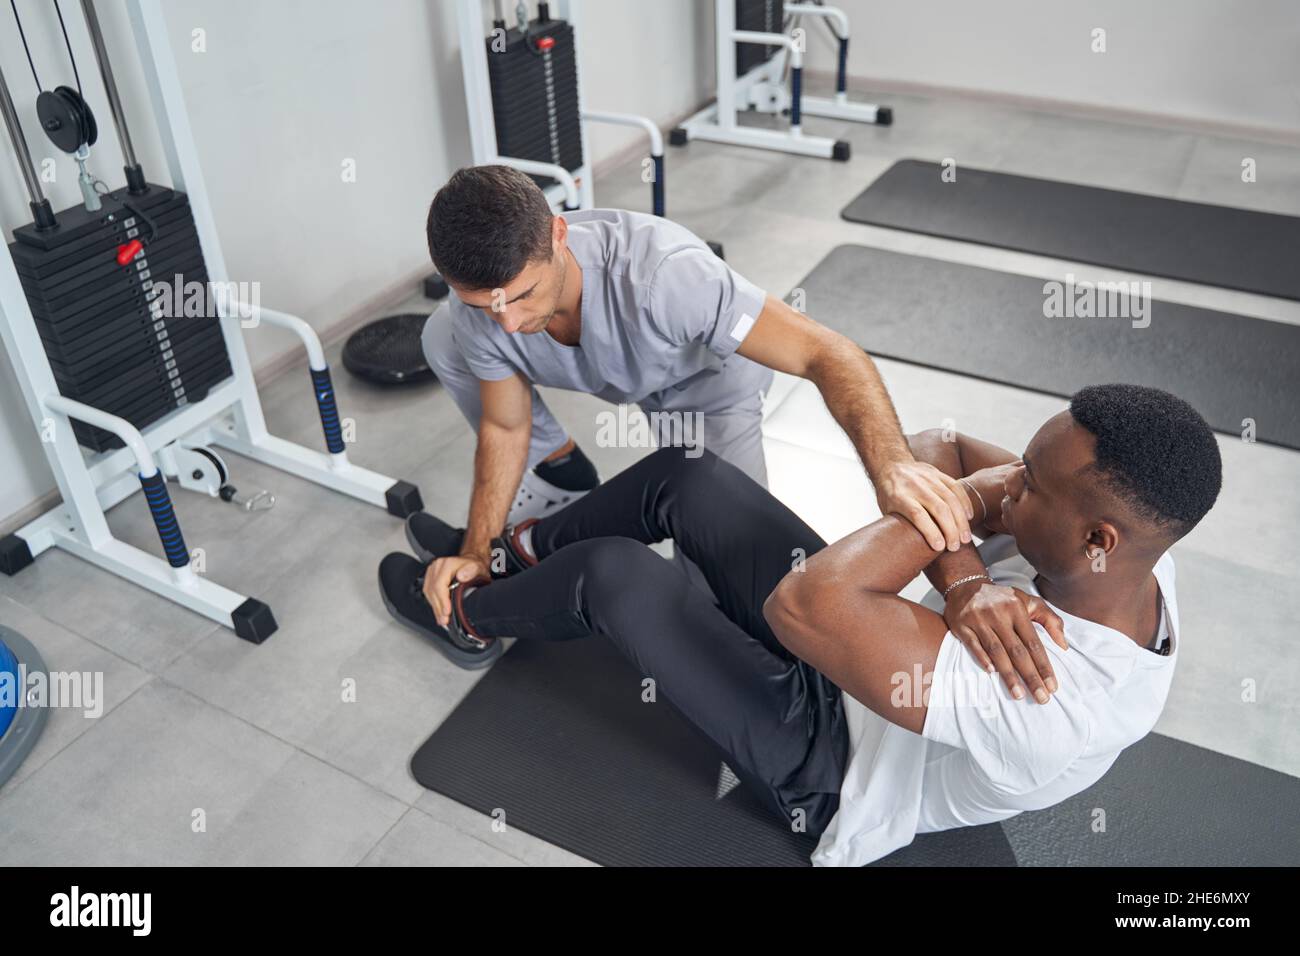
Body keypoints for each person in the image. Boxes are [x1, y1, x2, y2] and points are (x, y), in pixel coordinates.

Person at [378, 383, 1221, 864]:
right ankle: (515, 552)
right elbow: (933, 442)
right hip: (872, 654)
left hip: (839, 764)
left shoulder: (1053, 696)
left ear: (1097, 539)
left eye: (1030, 483)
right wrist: (964, 576)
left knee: (617, 576)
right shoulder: (1126, 559)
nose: (1011, 483)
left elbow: (805, 608)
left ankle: (469, 615)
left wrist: (966, 501)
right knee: (689, 477)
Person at [412, 164, 973, 629]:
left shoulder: (667, 276)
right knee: (442, 335)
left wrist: (893, 466)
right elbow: (505, 428)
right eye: (487, 306)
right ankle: (555, 491)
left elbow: (824, 353)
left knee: (724, 571)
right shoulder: (483, 314)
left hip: (708, 391)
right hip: (626, 369)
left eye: (522, 296)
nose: (506, 325)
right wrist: (479, 553)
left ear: (559, 235)